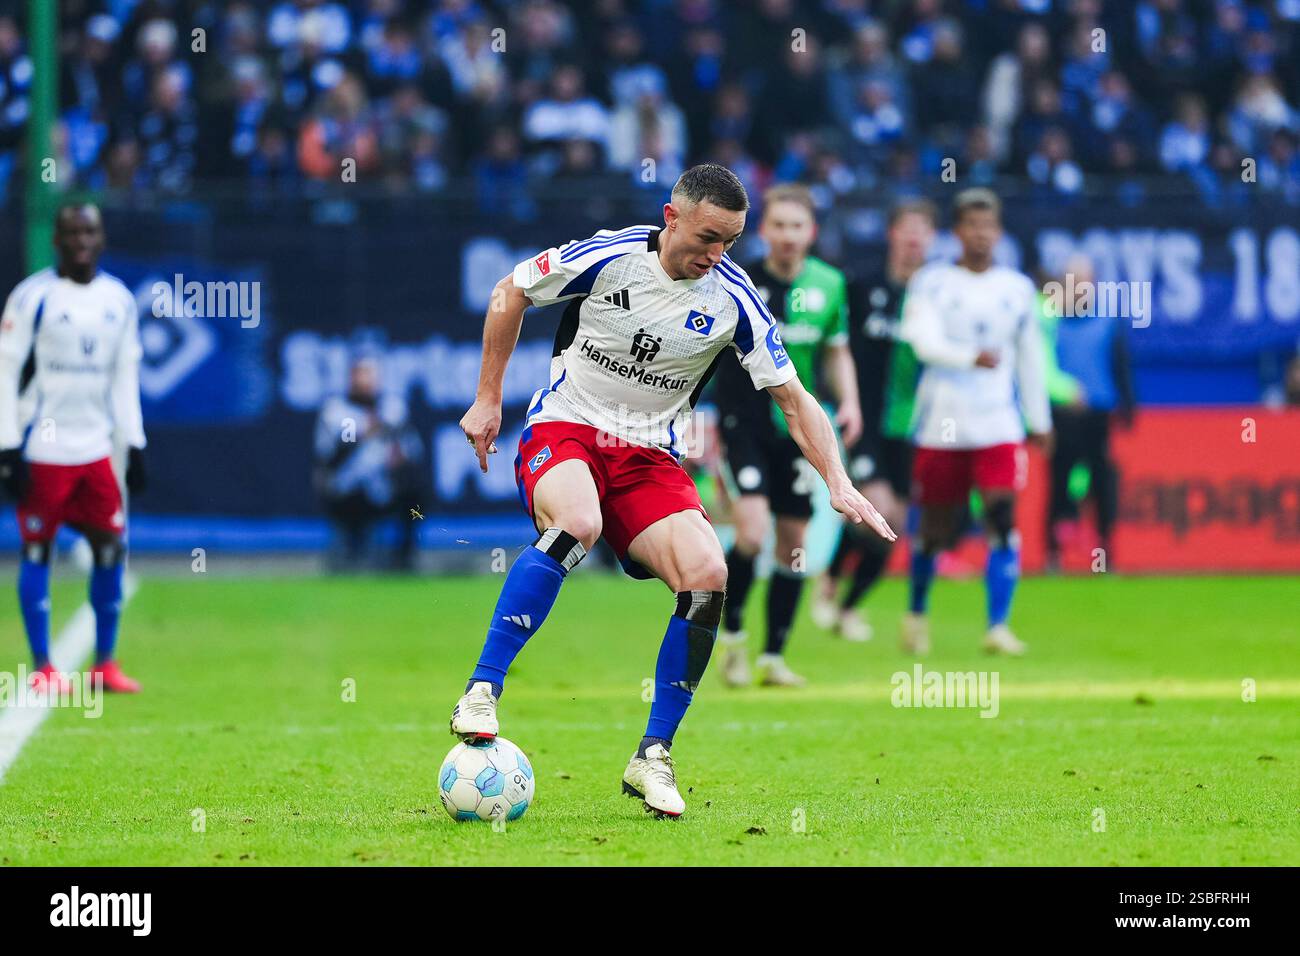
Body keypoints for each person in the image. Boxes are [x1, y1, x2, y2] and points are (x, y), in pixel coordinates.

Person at [452, 164, 895, 818]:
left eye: (730, 243)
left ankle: (653, 755)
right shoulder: (607, 257)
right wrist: (489, 399)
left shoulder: (733, 299)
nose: (715, 255)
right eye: (708, 237)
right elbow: (508, 292)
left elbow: (796, 400)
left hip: (649, 457)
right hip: (567, 427)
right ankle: (482, 689)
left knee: (709, 571)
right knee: (578, 522)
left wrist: (839, 481)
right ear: (672, 216)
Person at [711, 183, 861, 688]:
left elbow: (836, 349)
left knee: (794, 545)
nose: (788, 236)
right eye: (779, 225)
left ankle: (773, 655)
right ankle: (730, 636)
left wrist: (852, 403)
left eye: (798, 226)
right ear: (764, 230)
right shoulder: (737, 279)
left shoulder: (831, 284)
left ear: (811, 231)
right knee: (751, 532)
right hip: (744, 422)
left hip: (798, 429)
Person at [0, 203, 147, 693]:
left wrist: (136, 443)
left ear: (101, 239)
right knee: (38, 548)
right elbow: (5, 371)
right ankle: (43, 666)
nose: (81, 241)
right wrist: (6, 447)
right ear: (57, 241)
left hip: (96, 448)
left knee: (111, 547)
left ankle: (105, 664)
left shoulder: (119, 301)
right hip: (44, 448)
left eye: (90, 232)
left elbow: (125, 375)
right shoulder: (32, 298)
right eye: (71, 233)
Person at [899, 189, 1051, 656]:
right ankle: (918, 613)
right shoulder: (931, 282)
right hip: (942, 420)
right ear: (958, 231)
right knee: (936, 529)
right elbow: (920, 341)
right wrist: (969, 356)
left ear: (998, 233)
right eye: (971, 225)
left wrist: (1039, 418)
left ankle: (998, 625)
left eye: (989, 226)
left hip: (998, 424)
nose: (981, 235)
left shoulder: (1018, 289)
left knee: (1002, 516)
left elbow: (1030, 359)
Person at [814, 199, 937, 640]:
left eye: (922, 229)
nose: (914, 237)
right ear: (892, 234)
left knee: (894, 525)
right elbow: (836, 343)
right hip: (863, 422)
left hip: (910, 427)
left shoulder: (934, 295)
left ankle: (845, 607)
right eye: (907, 228)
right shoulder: (861, 287)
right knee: (878, 507)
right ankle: (827, 585)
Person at [1045, 254, 1136, 569]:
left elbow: (1120, 366)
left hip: (1098, 413)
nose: (1080, 287)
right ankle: (1054, 551)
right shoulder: (1050, 322)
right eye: (1073, 280)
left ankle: (1104, 551)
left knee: (1102, 481)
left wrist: (1128, 407)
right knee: (1059, 480)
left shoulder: (1108, 322)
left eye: (1084, 280)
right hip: (1062, 415)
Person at [314, 355, 423, 571]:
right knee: (351, 504)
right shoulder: (336, 409)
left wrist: (398, 453)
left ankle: (402, 559)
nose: (366, 381)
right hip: (347, 487)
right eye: (360, 374)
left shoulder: (392, 407)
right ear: (351, 378)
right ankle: (351, 557)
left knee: (416, 495)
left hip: (383, 486)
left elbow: (412, 448)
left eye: (371, 375)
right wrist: (370, 429)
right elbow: (333, 451)